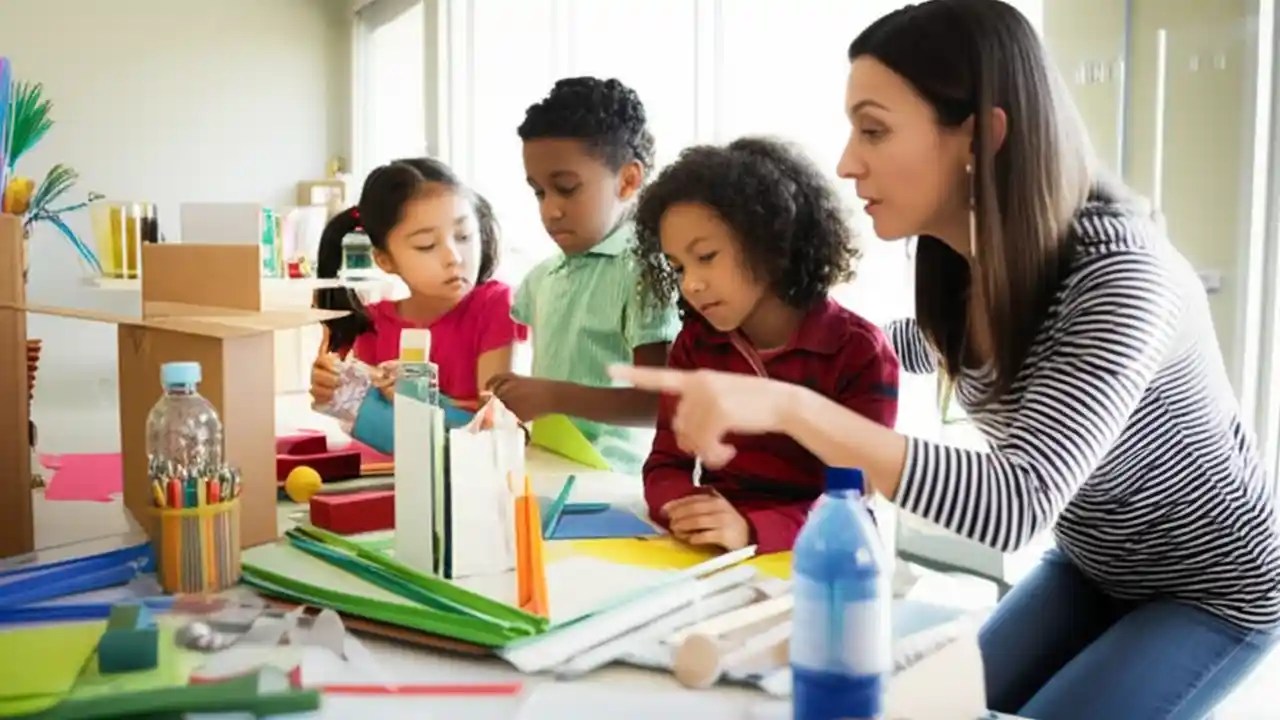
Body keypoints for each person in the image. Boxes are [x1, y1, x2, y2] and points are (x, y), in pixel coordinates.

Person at [609, 1, 1280, 717]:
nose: (845, 161)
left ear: (980, 136)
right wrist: (774, 346)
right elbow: (894, 346)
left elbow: (1012, 503)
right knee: (936, 706)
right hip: (1093, 562)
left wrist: (786, 404)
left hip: (1212, 583)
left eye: (873, 129)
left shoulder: (1121, 279)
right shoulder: (969, 265)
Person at [632, 136, 898, 553]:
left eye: (706, 256)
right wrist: (687, 506)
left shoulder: (859, 353)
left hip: (817, 558)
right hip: (715, 557)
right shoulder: (695, 347)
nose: (690, 284)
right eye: (678, 267)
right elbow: (666, 465)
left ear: (771, 244)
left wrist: (752, 529)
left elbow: (853, 501)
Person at [487, 77, 681, 473]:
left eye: (566, 188)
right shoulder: (543, 277)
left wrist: (555, 396)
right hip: (546, 464)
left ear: (627, 180)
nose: (550, 210)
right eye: (539, 192)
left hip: (617, 481)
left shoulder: (648, 272)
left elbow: (658, 404)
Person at [310, 158, 525, 406]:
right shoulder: (374, 325)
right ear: (385, 259)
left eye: (464, 236)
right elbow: (370, 422)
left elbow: (496, 414)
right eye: (427, 246)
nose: (453, 258)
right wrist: (335, 392)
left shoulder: (496, 305)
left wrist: (420, 400)